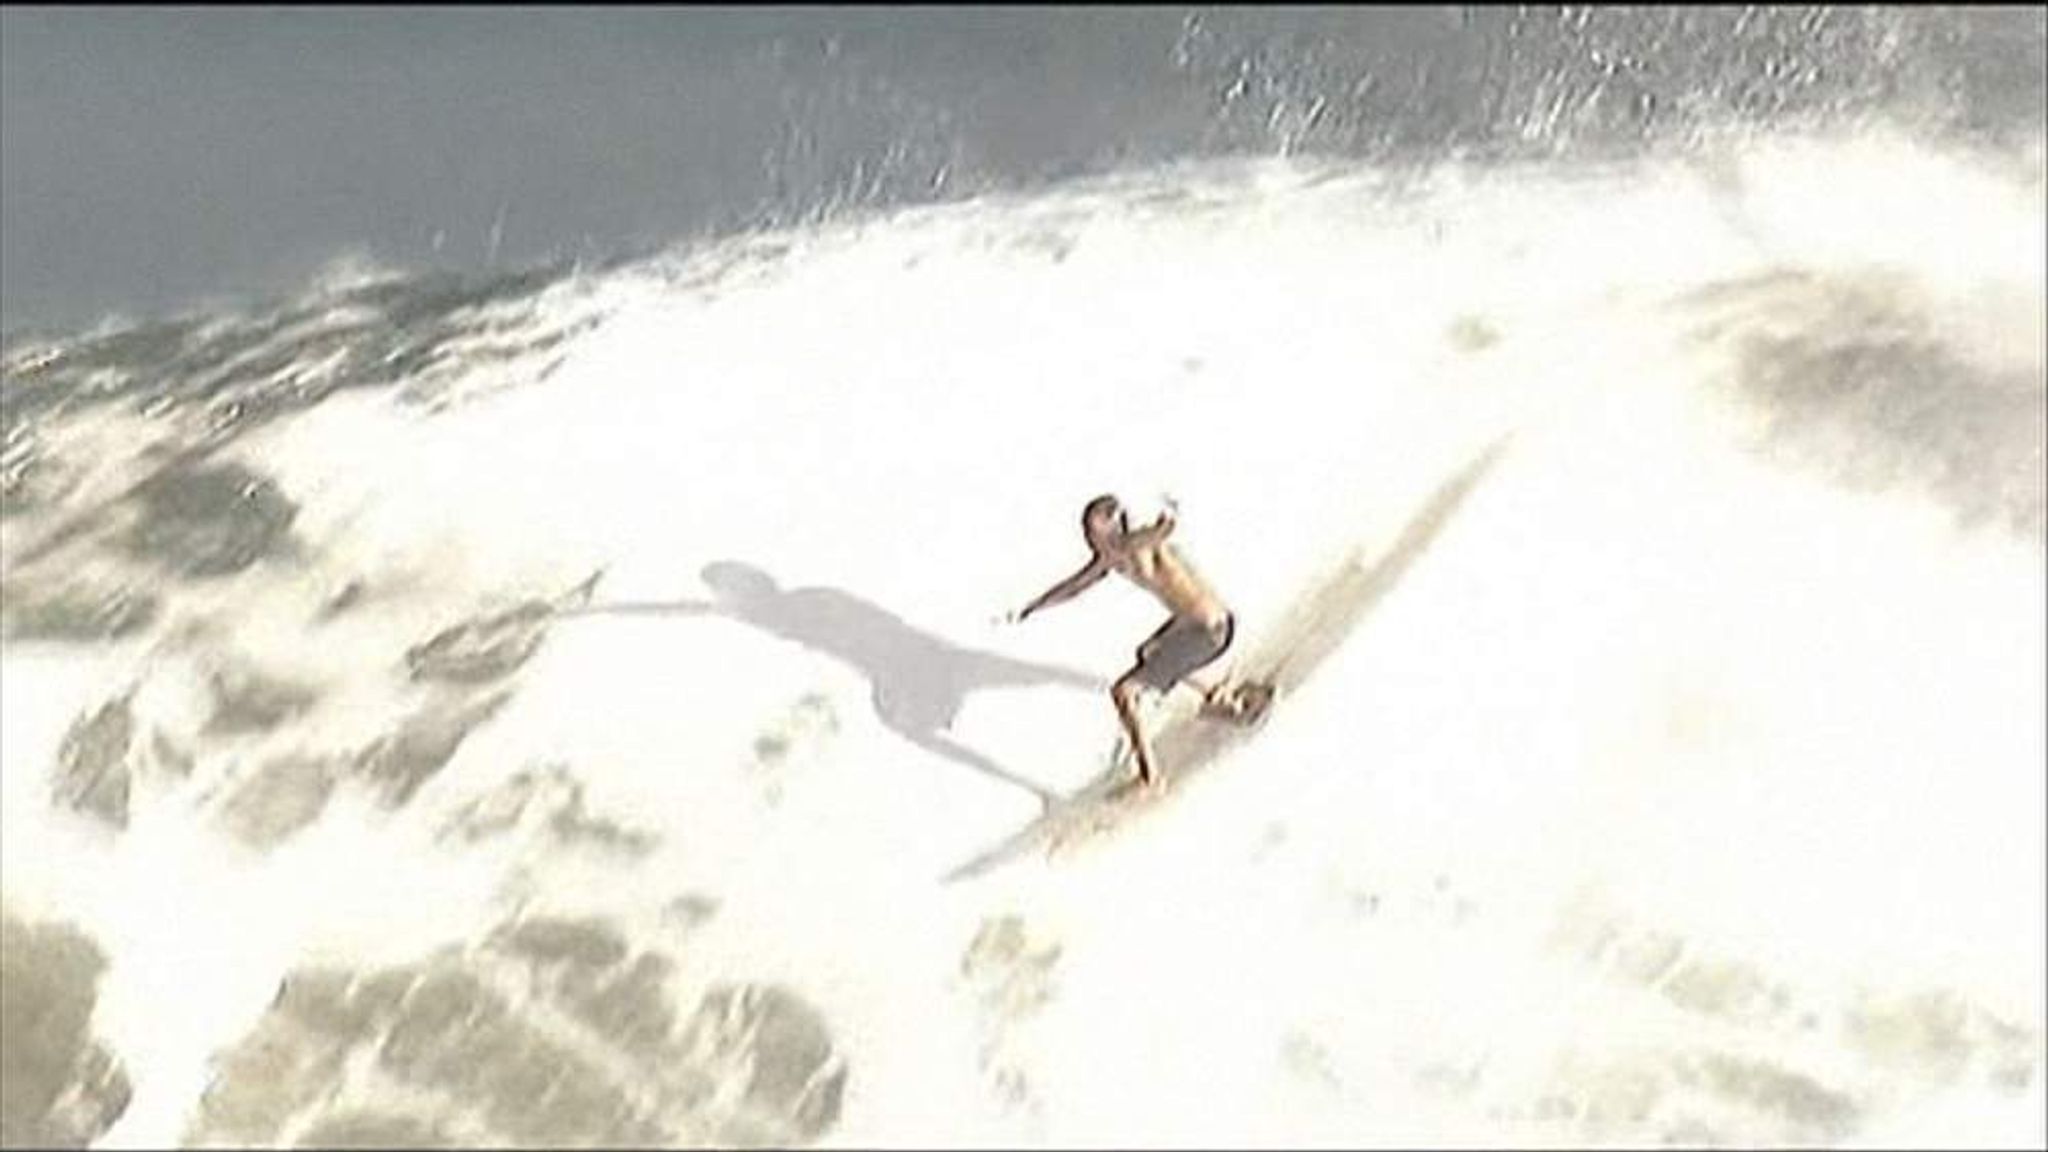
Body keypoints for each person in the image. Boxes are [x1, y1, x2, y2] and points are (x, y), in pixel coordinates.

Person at [1006, 494, 1266, 788]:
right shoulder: (1111, 558)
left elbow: (1162, 531)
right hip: (1199, 626)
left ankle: (1151, 777)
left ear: (1114, 527)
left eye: (1095, 531)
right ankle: (1221, 698)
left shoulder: (1135, 545)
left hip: (1208, 632)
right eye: (1087, 532)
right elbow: (1075, 586)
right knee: (1149, 651)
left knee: (1124, 692)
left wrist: (1170, 512)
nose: (1090, 539)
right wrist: (1034, 606)